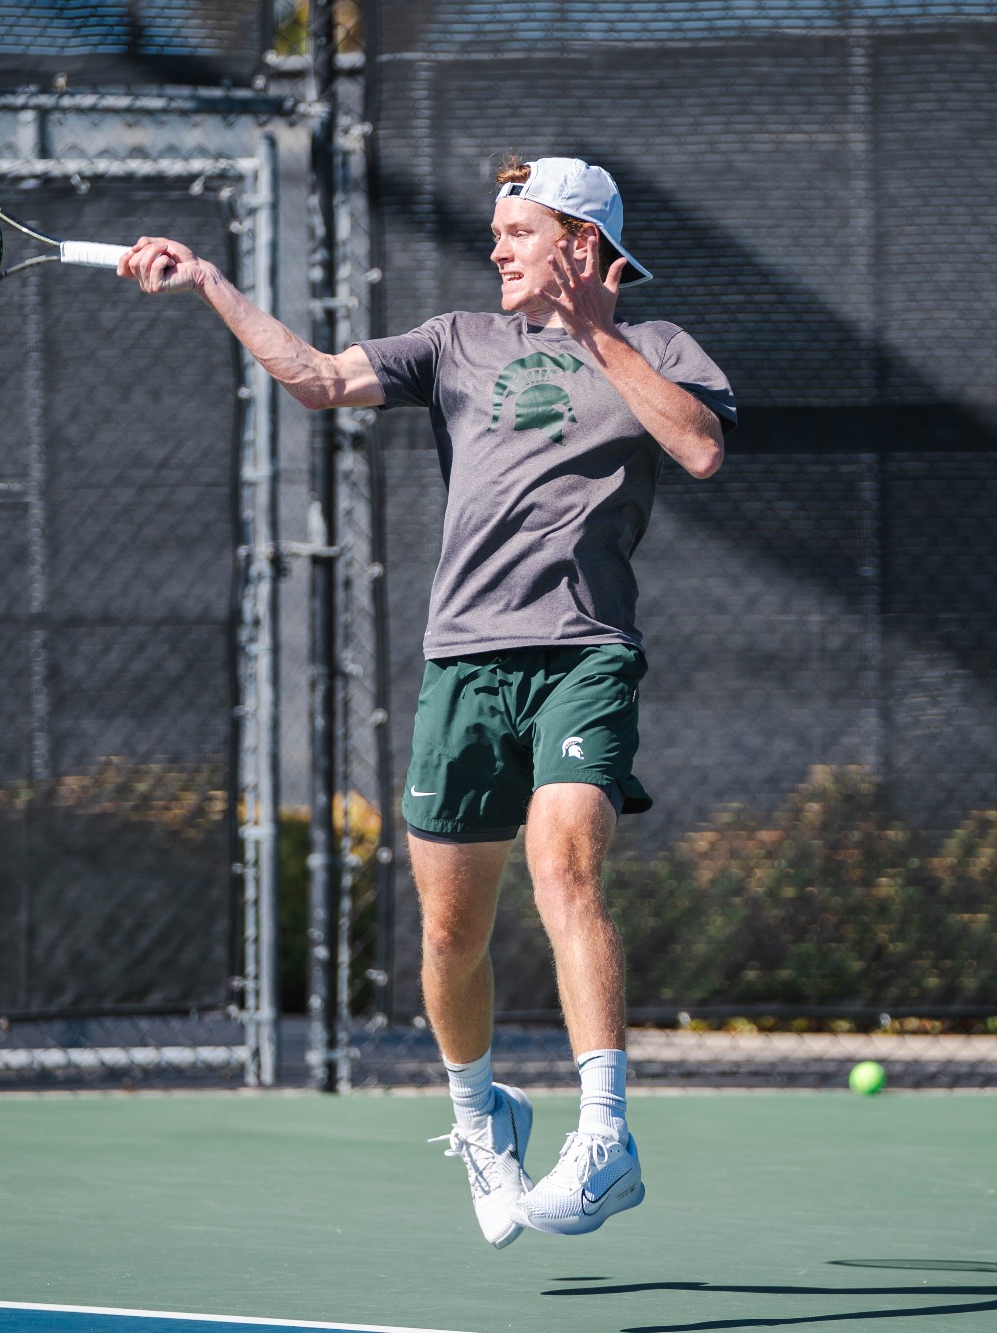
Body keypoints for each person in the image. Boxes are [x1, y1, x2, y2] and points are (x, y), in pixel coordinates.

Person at [117, 155, 734, 1246]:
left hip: (583, 654)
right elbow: (313, 378)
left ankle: (604, 1137)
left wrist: (598, 333)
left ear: (578, 247)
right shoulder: (453, 342)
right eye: (495, 232)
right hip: (461, 667)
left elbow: (695, 447)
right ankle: (480, 1118)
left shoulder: (662, 350)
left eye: (516, 232)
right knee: (449, 933)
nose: (494, 248)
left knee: (563, 866)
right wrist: (209, 280)